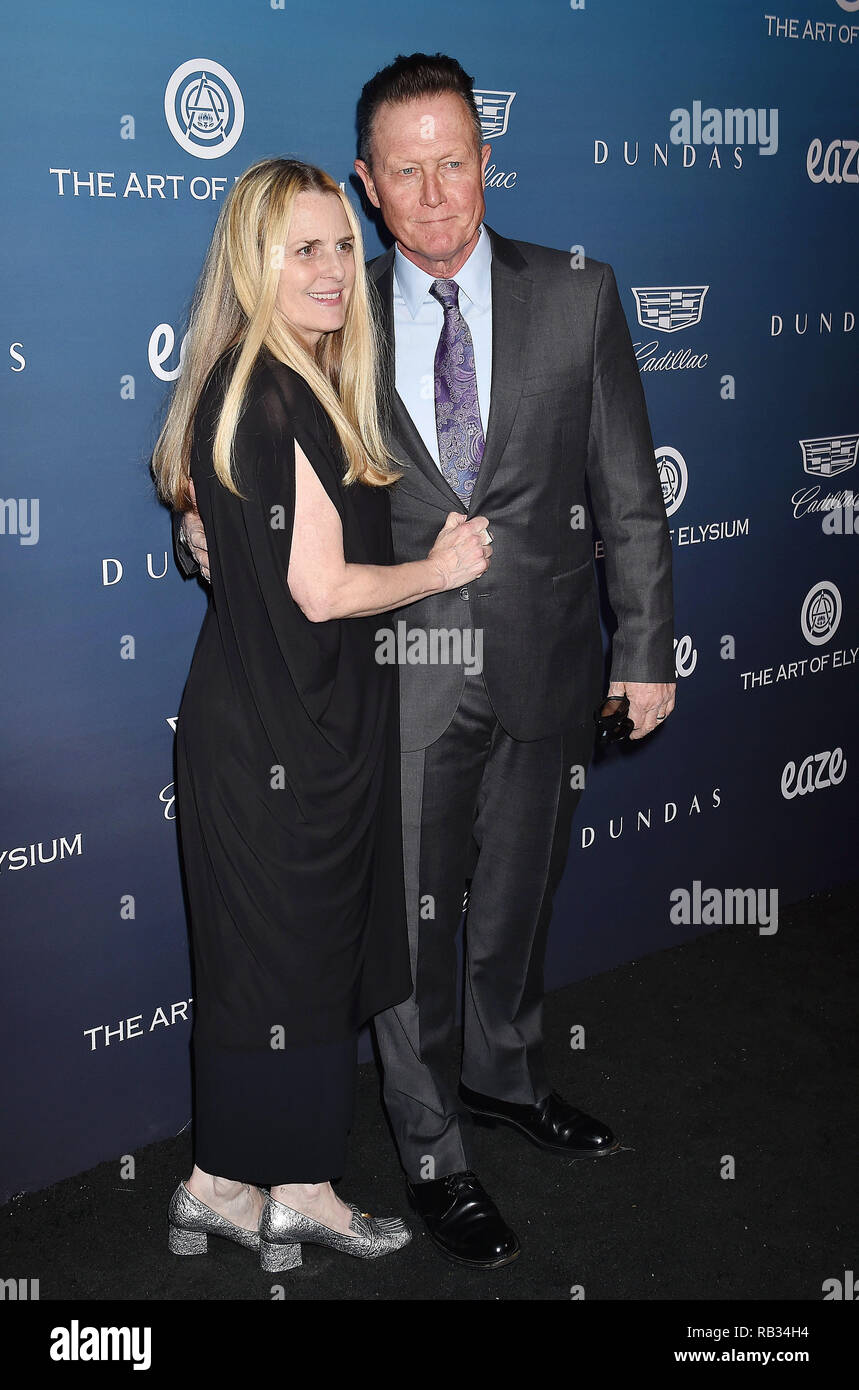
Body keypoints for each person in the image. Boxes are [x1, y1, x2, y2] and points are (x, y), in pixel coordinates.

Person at [177, 52, 676, 1271]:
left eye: (455, 161)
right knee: (407, 932)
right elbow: (256, 447)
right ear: (367, 186)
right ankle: (434, 1148)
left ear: (486, 161)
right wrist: (205, 510)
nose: (436, 191)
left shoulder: (577, 293)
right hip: (394, 683)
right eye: (404, 172)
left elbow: (627, 489)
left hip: (550, 662)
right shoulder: (336, 312)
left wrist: (648, 646)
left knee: (514, 901)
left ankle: (505, 1076)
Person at [153, 155, 492, 1272]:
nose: (335, 268)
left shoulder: (245, 380)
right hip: (278, 734)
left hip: (275, 720)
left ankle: (222, 1183)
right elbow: (322, 588)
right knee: (290, 969)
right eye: (304, 248)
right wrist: (437, 568)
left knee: (268, 969)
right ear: (254, 263)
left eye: (344, 245)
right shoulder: (281, 389)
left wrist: (212, 533)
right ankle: (294, 1189)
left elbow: (214, 523)